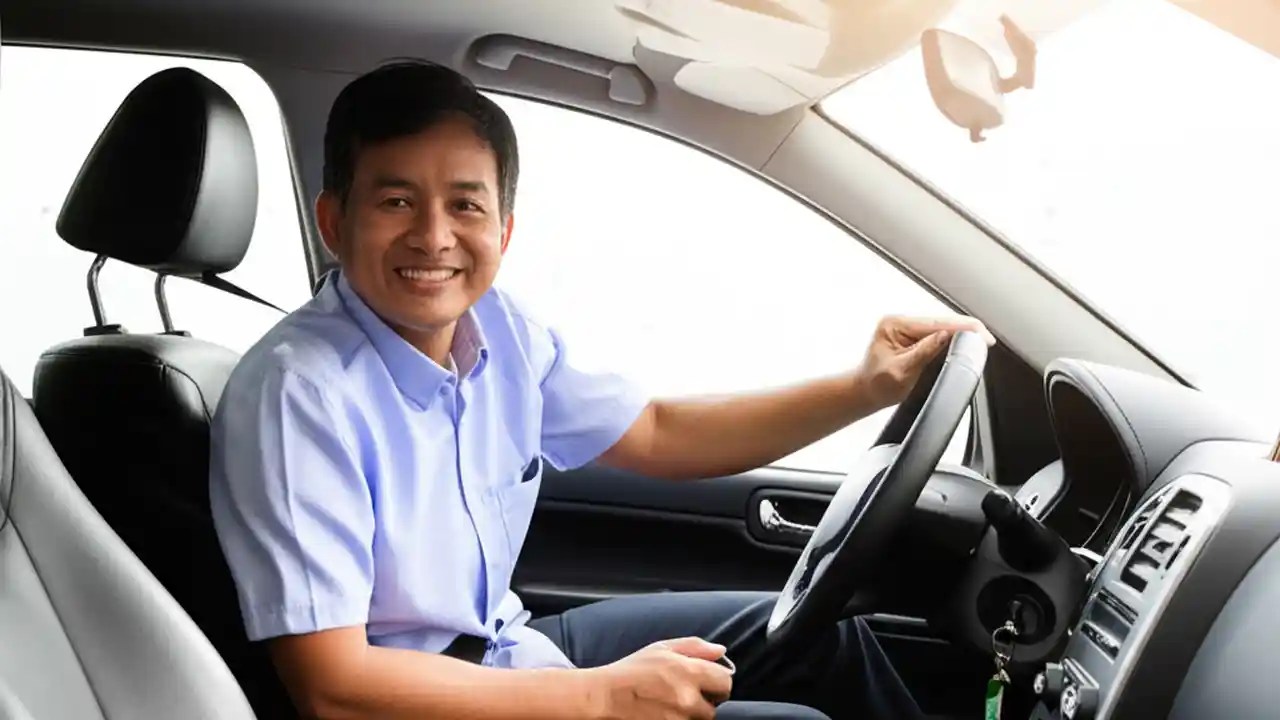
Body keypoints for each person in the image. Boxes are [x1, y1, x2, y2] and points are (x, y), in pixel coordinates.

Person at [208, 60, 993, 720]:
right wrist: (595, 696)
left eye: (465, 205)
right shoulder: (298, 394)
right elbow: (333, 686)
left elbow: (655, 432)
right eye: (396, 201)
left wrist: (863, 389)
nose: (434, 236)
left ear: (504, 231)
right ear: (333, 223)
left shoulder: (500, 331)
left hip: (505, 650)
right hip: (419, 701)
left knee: (825, 637)